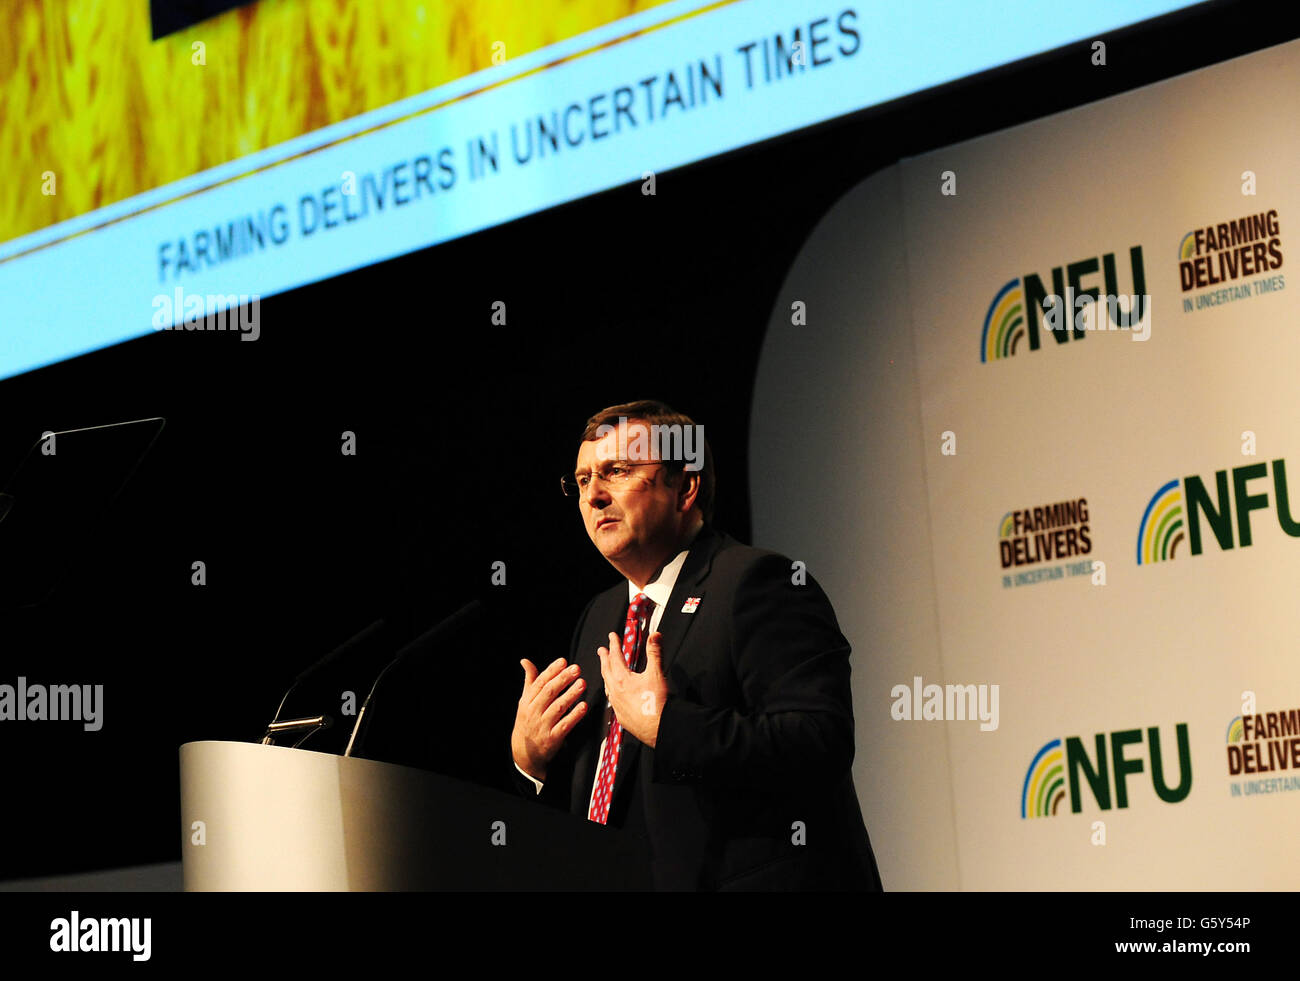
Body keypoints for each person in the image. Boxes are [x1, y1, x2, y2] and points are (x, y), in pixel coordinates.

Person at [509, 400, 882, 890]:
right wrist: (533, 762)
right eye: (581, 481)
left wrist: (668, 727)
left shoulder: (756, 584)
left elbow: (819, 742)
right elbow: (609, 796)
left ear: (685, 487)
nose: (593, 496)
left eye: (616, 471)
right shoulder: (600, 616)